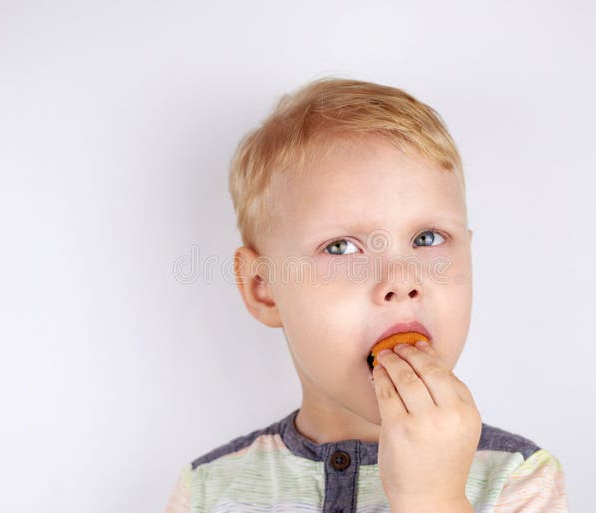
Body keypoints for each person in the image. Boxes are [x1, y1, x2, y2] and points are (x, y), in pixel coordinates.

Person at [163, 77, 570, 513]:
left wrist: (432, 498)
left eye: (428, 238)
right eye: (341, 247)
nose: (401, 279)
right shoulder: (208, 490)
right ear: (265, 289)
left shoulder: (518, 478)